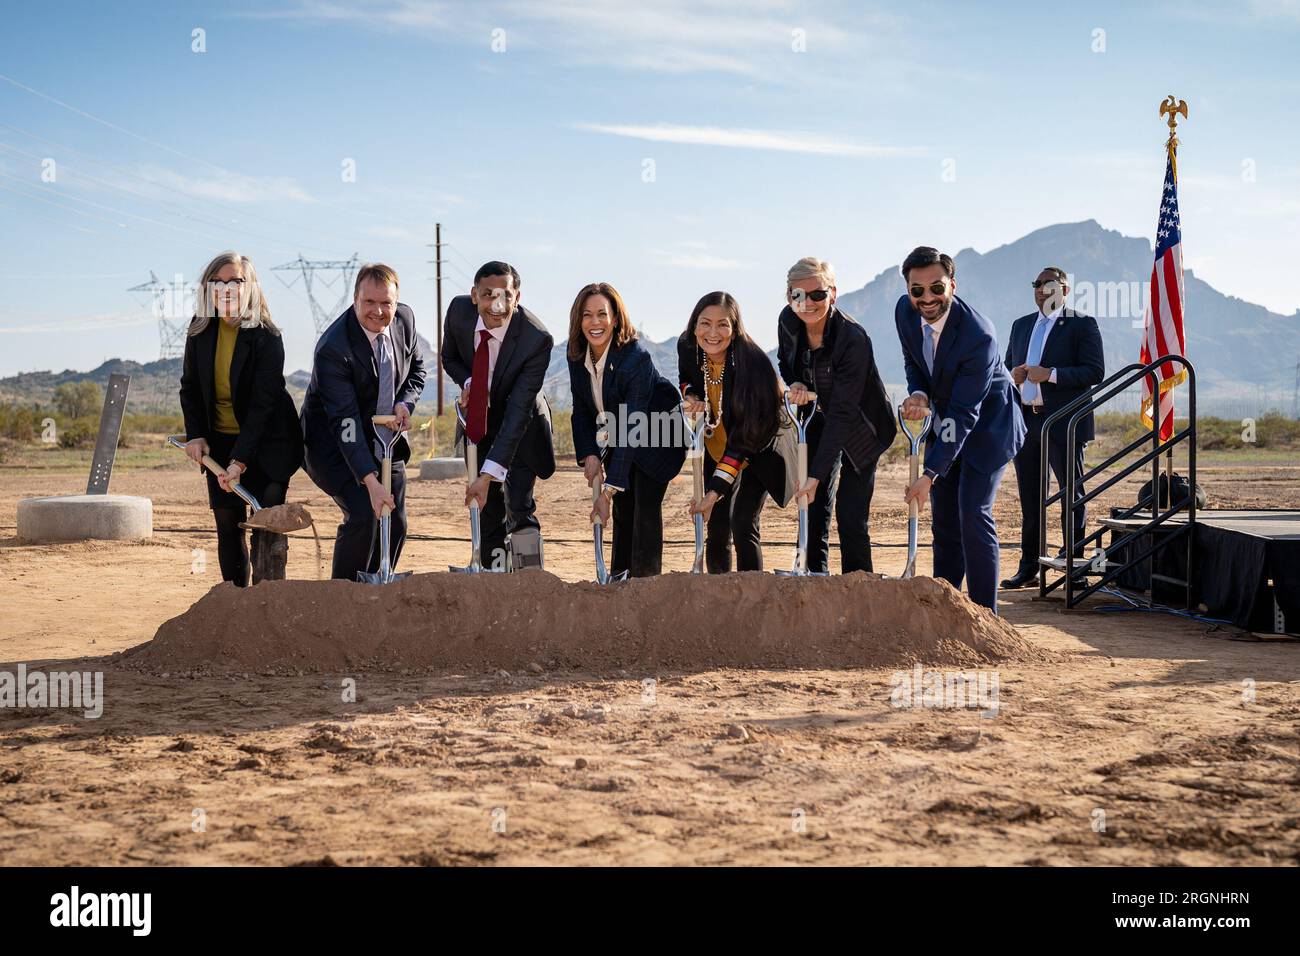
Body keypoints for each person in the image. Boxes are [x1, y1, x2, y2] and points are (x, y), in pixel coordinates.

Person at [895, 246, 1025, 612]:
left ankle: (985, 618)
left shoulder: (977, 335)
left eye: (937, 287)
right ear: (908, 290)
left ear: (952, 284)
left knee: (972, 512)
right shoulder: (904, 313)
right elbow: (914, 359)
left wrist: (930, 472)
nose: (927, 298)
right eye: (917, 290)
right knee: (945, 519)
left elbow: (965, 413)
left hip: (989, 428)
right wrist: (918, 393)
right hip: (948, 421)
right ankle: (946, 610)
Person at [179, 251, 303, 585]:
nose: (226, 289)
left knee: (266, 525)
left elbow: (263, 405)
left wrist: (240, 461)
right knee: (227, 523)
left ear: (250, 287)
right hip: (220, 442)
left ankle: (267, 604)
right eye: (216, 282)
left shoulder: (266, 336)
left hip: (269, 444)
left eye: (235, 281)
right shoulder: (199, 329)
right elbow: (189, 388)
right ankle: (235, 604)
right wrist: (196, 435)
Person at [300, 263, 426, 581]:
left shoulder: (405, 321)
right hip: (333, 443)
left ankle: (374, 589)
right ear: (355, 299)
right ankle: (343, 597)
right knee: (363, 514)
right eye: (369, 302)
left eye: (387, 303)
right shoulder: (334, 348)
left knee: (395, 520)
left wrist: (404, 403)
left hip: (386, 437)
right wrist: (370, 482)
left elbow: (417, 369)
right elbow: (346, 421)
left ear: (396, 302)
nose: (379, 311)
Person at [776, 257, 897, 573]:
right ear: (789, 297)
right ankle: (815, 579)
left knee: (850, 514)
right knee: (812, 506)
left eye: (818, 294)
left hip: (863, 427)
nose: (809, 303)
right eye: (798, 296)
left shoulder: (852, 338)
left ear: (833, 294)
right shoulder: (788, 322)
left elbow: (844, 413)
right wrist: (797, 381)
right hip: (818, 417)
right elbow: (784, 362)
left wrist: (816, 475)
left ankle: (859, 588)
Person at [440, 261, 556, 569]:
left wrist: (488, 474)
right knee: (486, 506)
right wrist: (470, 383)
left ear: (517, 297)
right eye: (488, 295)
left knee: (518, 502)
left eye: (505, 295)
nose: (497, 304)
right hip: (479, 420)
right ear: (474, 295)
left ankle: (530, 576)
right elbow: (449, 357)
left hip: (522, 425)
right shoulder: (457, 312)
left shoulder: (536, 339)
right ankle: (493, 580)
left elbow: (518, 413)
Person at [567, 282, 686, 578]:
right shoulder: (576, 357)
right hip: (623, 434)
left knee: (643, 506)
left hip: (660, 437)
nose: (595, 323)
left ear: (615, 318)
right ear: (578, 320)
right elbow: (582, 410)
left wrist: (606, 492)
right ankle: (620, 581)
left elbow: (634, 424)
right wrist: (590, 455)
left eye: (602, 314)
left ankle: (646, 585)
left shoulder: (636, 358)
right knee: (623, 508)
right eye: (587, 315)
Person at [1001, 267, 1106, 589]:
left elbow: (1095, 371)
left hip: (1063, 421)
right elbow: (1005, 367)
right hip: (1027, 420)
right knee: (1031, 497)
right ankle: (1029, 565)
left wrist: (1051, 374)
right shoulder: (1021, 326)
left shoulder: (1081, 324)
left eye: (1049, 285)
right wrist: (1014, 375)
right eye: (1037, 285)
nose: (1041, 290)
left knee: (1069, 493)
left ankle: (1073, 566)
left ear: (1064, 290)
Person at [677, 291, 794, 572]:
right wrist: (692, 395)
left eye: (723, 324)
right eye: (705, 323)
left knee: (742, 522)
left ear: (735, 327)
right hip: (717, 444)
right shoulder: (688, 346)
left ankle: (750, 594)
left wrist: (713, 492)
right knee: (716, 529)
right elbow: (685, 379)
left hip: (756, 447)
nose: (713, 333)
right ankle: (720, 595)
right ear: (695, 324)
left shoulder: (753, 365)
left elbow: (743, 441)